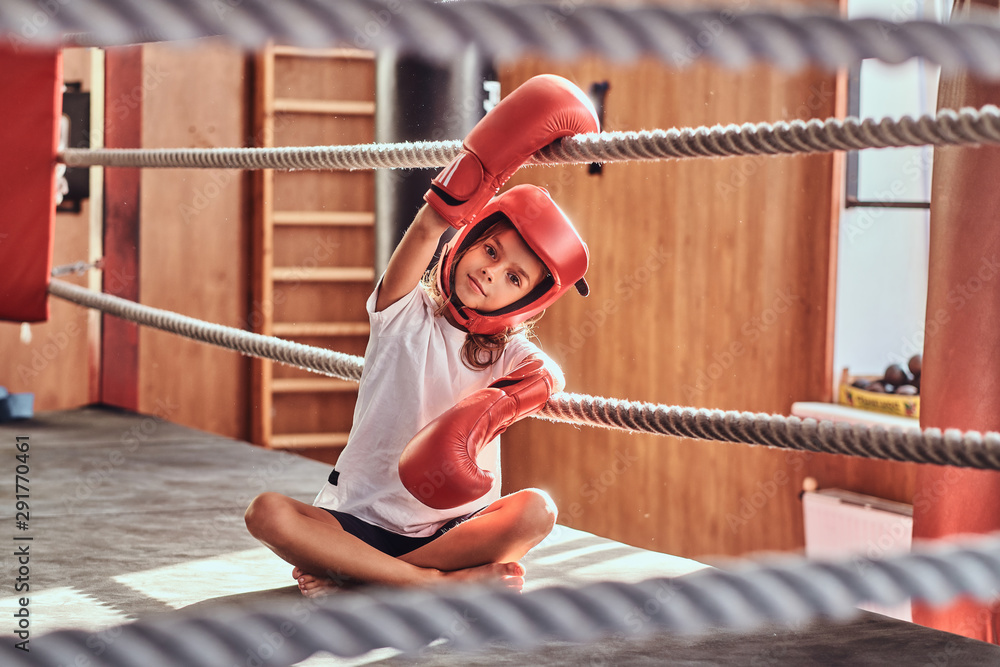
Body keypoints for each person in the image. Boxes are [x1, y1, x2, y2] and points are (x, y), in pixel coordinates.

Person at [244, 74, 599, 597]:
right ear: (470, 239)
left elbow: (551, 376)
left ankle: (364, 575)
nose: (490, 274)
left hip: (449, 530)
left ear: (527, 300)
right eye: (492, 251)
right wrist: (483, 162)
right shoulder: (404, 309)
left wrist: (497, 407)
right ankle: (427, 584)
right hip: (356, 522)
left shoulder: (506, 355)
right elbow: (431, 225)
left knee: (536, 512)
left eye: (514, 279)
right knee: (267, 513)